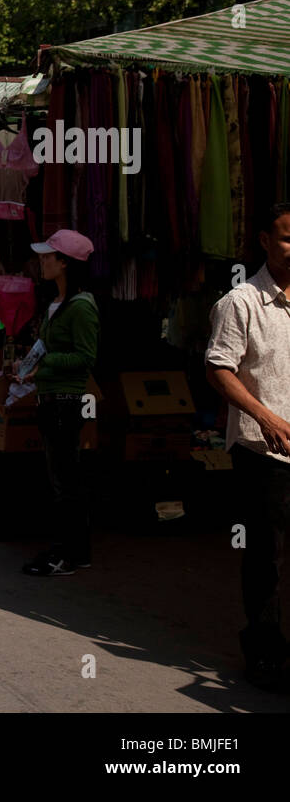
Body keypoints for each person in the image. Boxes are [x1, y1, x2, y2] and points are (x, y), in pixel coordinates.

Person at [206, 202, 290, 690]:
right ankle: (263, 650)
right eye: (285, 237)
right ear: (263, 240)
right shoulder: (240, 303)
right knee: (266, 556)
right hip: (265, 452)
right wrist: (266, 415)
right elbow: (219, 367)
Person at [21, 229, 99, 578]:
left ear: (64, 263)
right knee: (63, 479)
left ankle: (67, 553)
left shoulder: (81, 307)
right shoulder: (58, 303)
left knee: (65, 481)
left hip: (66, 402)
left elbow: (85, 358)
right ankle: (74, 551)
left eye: (48, 257)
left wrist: (45, 364)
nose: (42, 262)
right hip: (51, 398)